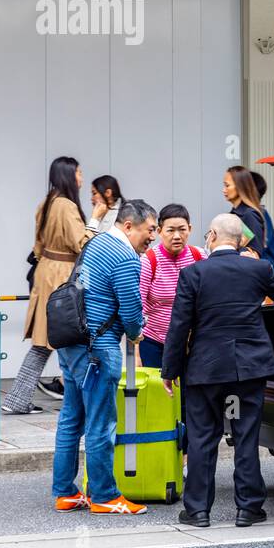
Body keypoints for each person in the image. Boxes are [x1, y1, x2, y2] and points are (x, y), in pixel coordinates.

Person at [161, 213, 274, 528]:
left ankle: (198, 511)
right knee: (246, 435)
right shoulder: (257, 268)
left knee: (202, 438)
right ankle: (248, 508)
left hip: (205, 368)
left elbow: (180, 325)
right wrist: (256, 259)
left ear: (212, 235)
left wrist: (170, 369)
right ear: (239, 239)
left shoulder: (194, 273)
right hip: (250, 366)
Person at [51, 199, 158, 515]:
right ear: (128, 226)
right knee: (101, 422)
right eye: (149, 229)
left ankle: (65, 492)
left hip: (72, 341)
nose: (152, 237)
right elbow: (131, 311)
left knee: (72, 418)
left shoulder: (96, 244)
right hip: (98, 348)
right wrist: (138, 332)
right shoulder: (125, 257)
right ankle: (104, 496)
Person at [5, 156, 98, 413]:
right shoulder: (66, 206)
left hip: (46, 272)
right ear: (69, 175)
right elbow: (82, 243)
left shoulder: (46, 203)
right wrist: (96, 221)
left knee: (44, 340)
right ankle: (79, 399)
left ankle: (18, 398)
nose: (81, 178)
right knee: (71, 338)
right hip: (63, 276)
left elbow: (37, 245)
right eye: (79, 173)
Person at [137, 204, 204, 371]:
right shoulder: (148, 261)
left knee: (187, 395)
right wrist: (136, 354)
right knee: (158, 394)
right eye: (170, 230)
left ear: (190, 229)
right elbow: (138, 308)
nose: (177, 236)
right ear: (159, 231)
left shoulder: (200, 257)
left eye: (182, 230)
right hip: (154, 342)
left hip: (191, 343)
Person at [250, 170, 274, 281]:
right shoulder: (260, 212)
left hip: (266, 278)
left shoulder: (253, 215)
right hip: (272, 273)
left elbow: (260, 245)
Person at [223, 165, 268, 254]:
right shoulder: (235, 214)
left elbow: (255, 253)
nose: (224, 190)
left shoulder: (249, 215)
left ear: (240, 186)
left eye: (227, 185)